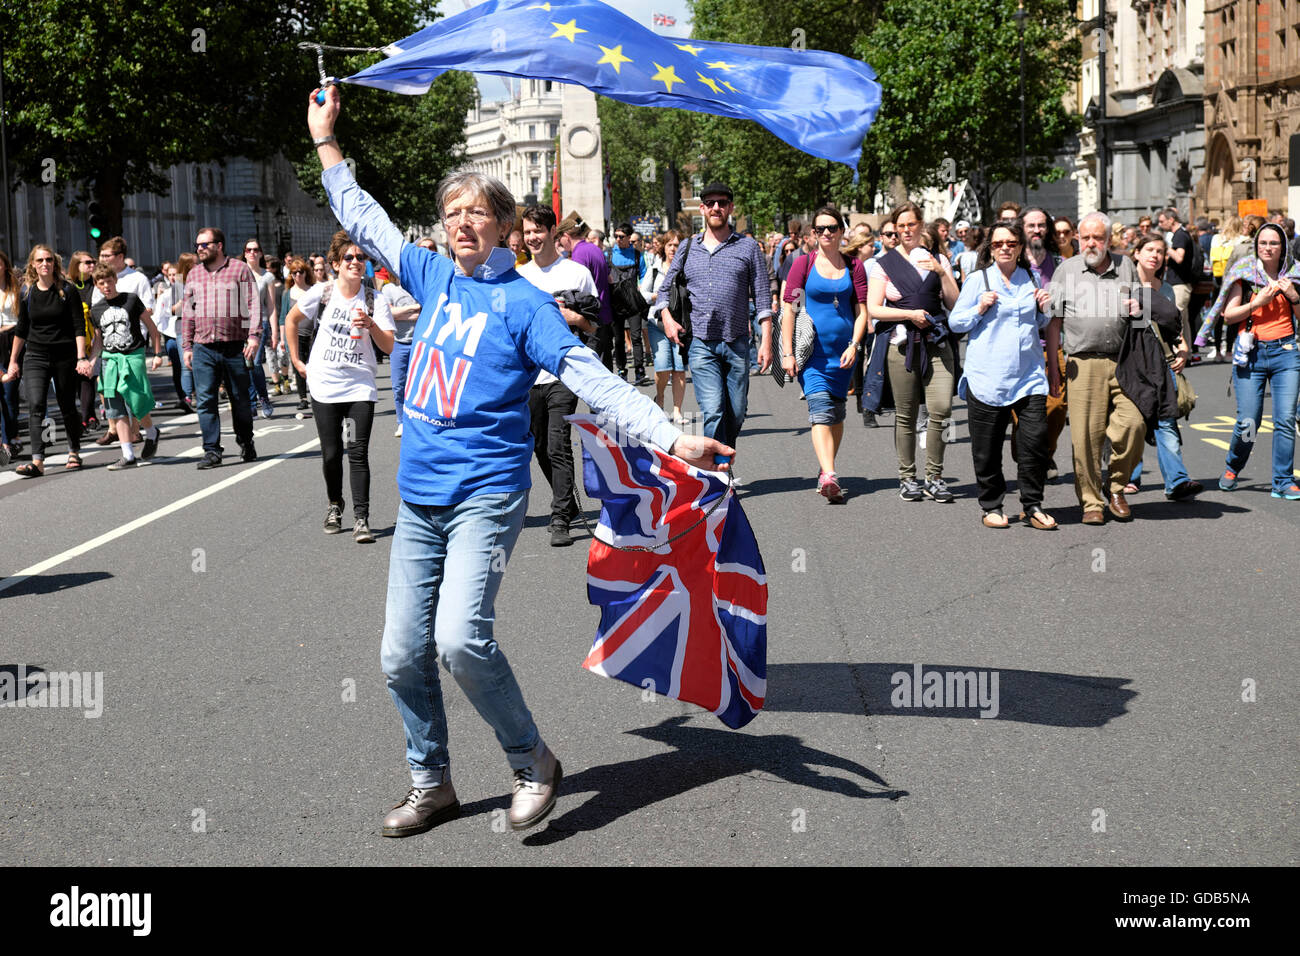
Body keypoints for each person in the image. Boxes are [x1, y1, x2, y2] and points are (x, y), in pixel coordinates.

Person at [307, 84, 731, 837]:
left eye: (477, 211)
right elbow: (363, 217)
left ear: (505, 225)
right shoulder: (430, 276)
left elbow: (588, 376)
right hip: (420, 500)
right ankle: (429, 781)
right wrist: (325, 141)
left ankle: (532, 759)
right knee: (400, 653)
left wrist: (670, 435)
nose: (461, 222)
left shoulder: (526, 303)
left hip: (485, 496)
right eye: (452, 212)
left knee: (459, 640)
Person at [285, 230, 395, 540]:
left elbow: (388, 347)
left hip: (360, 386)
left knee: (357, 451)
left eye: (361, 258)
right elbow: (291, 322)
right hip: (324, 384)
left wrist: (371, 324)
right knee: (332, 453)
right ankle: (335, 503)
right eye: (349, 257)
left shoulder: (375, 299)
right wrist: (296, 360)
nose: (356, 262)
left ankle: (362, 518)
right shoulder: (322, 293)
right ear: (335, 263)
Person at [948, 220, 1058, 528]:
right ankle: (991, 505)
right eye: (998, 244)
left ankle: (1033, 504)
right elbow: (956, 323)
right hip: (988, 377)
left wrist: (1044, 308)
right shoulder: (978, 280)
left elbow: (1038, 325)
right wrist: (979, 308)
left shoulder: (1031, 277)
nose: (1005, 248)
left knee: (1035, 442)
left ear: (1020, 247)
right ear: (990, 248)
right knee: (988, 447)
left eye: (1011, 243)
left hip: (1028, 376)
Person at [655, 181, 774, 452]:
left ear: (730, 208)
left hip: (737, 342)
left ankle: (725, 455)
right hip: (700, 343)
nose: (716, 207)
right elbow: (664, 291)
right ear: (702, 209)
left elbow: (763, 297)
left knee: (737, 410)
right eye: (710, 203)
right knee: (713, 410)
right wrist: (667, 318)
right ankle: (716, 472)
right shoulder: (687, 247)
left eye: (722, 203)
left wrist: (766, 340)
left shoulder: (748, 247)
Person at [1047, 212, 1146, 524]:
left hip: (1124, 359)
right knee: (1086, 437)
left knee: (1134, 423)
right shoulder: (1066, 270)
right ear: (1077, 239)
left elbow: (1142, 315)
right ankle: (1091, 502)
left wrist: (1139, 309)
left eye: (1098, 238)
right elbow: (1053, 323)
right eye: (1085, 238)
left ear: (1108, 240)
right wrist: (1053, 367)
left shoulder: (1126, 265)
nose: (1091, 243)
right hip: (1082, 363)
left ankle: (1116, 486)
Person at [865, 201, 960, 502]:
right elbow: (874, 308)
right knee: (905, 415)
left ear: (921, 225)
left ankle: (934, 476)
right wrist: (908, 315)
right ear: (895, 228)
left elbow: (955, 303)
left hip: (937, 343)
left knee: (941, 409)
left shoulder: (938, 259)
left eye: (912, 224)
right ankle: (908, 477)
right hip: (902, 345)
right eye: (901, 226)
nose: (906, 230)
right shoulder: (884, 264)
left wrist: (941, 272)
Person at [517, 204, 600, 546]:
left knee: (558, 443)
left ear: (553, 231)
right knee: (538, 444)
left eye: (538, 230)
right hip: (530, 374)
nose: (532, 237)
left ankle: (560, 517)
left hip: (566, 371)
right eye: (527, 232)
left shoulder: (577, 273)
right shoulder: (520, 277)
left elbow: (595, 325)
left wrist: (576, 319)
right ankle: (565, 495)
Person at [778, 206, 869, 502]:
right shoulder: (802, 265)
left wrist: (854, 344)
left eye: (832, 228)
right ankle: (829, 475)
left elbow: (862, 312)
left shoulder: (854, 266)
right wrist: (787, 353)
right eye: (820, 229)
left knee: (837, 413)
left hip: (843, 354)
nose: (827, 233)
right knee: (820, 412)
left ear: (842, 231)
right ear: (813, 234)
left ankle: (825, 468)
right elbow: (789, 310)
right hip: (812, 354)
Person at [1216, 223, 1300, 499]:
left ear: (1283, 247)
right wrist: (1258, 302)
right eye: (1263, 243)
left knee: (1286, 419)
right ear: (1256, 245)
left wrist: (1294, 297)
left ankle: (1283, 480)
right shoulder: (1245, 273)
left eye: (1274, 243)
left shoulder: (1295, 274)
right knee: (1248, 421)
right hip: (1250, 354)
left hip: (1285, 352)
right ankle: (1233, 466)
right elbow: (1228, 316)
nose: (1267, 248)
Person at [1124, 233, 1202, 501]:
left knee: (1167, 420)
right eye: (1149, 249)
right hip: (1131, 363)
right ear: (1136, 253)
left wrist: (1184, 349)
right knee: (1135, 421)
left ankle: (1177, 481)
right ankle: (1129, 477)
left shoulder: (1166, 289)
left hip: (1162, 361)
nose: (1155, 255)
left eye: (1160, 251)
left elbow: (1175, 328)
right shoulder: (1124, 285)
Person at [181, 226, 261, 470]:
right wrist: (187, 345)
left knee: (240, 400)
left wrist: (254, 336)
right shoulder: (193, 274)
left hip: (234, 345)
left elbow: (253, 303)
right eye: (198, 245)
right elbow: (188, 311)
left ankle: (246, 441)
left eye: (204, 244)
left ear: (219, 245)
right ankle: (212, 450)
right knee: (205, 400)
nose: (200, 249)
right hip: (203, 347)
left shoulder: (239, 269)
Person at [3, 246, 86, 476]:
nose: (45, 263)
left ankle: (73, 451)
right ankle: (38, 460)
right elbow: (21, 329)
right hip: (36, 355)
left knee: (66, 404)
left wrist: (81, 356)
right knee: (35, 405)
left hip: (64, 355)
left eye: (49, 259)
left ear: (54, 263)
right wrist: (13, 361)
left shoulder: (66, 290)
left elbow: (79, 325)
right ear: (33, 264)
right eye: (40, 260)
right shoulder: (27, 292)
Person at [88, 263, 164, 469]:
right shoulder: (96, 310)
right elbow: (98, 340)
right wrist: (92, 360)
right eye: (101, 283)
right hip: (109, 360)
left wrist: (157, 354)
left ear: (116, 280)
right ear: (96, 285)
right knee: (115, 407)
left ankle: (151, 432)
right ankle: (128, 455)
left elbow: (152, 328)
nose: (106, 286)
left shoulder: (131, 299)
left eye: (109, 281)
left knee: (138, 401)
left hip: (133, 356)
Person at [642, 231, 687, 422]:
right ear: (664, 247)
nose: (673, 248)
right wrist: (659, 296)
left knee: (679, 368)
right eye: (670, 245)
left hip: (680, 324)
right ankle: (660, 399)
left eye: (677, 245)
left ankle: (677, 410)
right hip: (657, 323)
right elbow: (643, 293)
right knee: (663, 366)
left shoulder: (686, 268)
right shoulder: (655, 268)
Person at [607, 222, 649, 384]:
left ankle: (640, 371)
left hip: (633, 302)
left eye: (621, 237)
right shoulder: (609, 254)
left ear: (629, 237)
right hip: (615, 302)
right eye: (616, 236)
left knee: (636, 337)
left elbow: (645, 275)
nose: (617, 239)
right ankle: (622, 371)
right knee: (618, 340)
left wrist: (641, 286)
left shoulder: (637, 255)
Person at [281, 257, 316, 411]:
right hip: (295, 335)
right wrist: (282, 338)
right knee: (298, 366)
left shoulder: (313, 290)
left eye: (300, 272)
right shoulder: (287, 294)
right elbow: (284, 317)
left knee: (314, 366)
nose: (297, 275)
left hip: (313, 334)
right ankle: (303, 398)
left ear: (305, 273)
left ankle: (316, 396)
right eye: (294, 273)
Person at [0, 250, 21, 463]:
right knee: (4, 395)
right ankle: (8, 440)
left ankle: (10, 437)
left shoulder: (17, 289)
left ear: (5, 266)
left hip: (15, 340)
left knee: (10, 394)